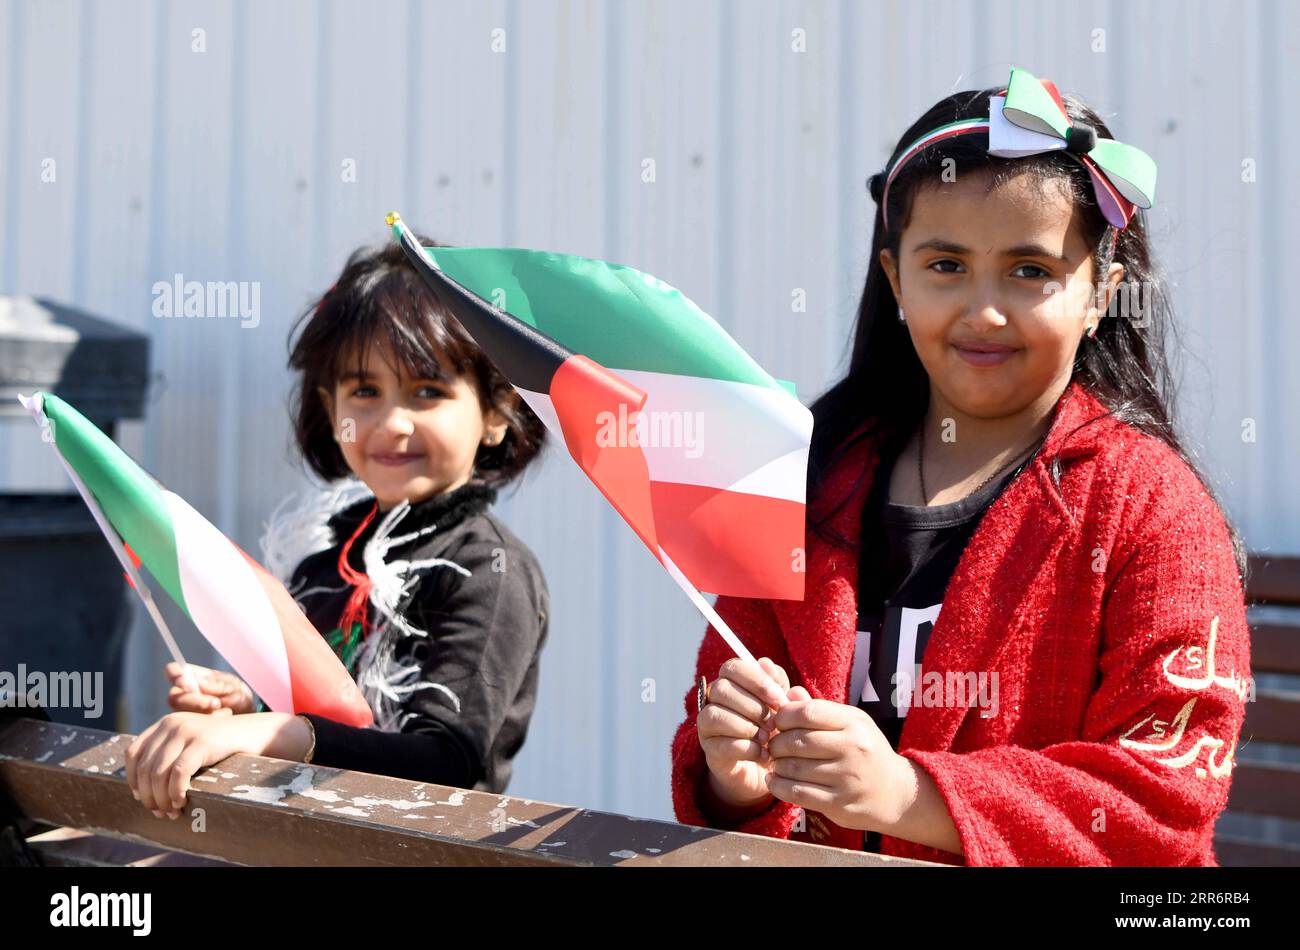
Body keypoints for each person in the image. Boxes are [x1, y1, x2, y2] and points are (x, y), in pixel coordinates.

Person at [671, 67, 1252, 865]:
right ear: (894, 279)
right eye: (945, 266)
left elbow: (1162, 795)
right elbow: (726, 727)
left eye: (1031, 271)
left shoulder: (1151, 508)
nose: (983, 310)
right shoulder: (808, 479)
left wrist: (909, 796)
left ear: (1101, 295)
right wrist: (736, 773)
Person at [126, 235, 550, 820]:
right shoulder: (322, 563)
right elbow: (323, 708)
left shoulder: (489, 571)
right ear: (331, 412)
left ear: (497, 413)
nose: (392, 423)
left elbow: (447, 761)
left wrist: (274, 735)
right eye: (365, 391)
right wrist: (244, 708)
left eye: (428, 391)